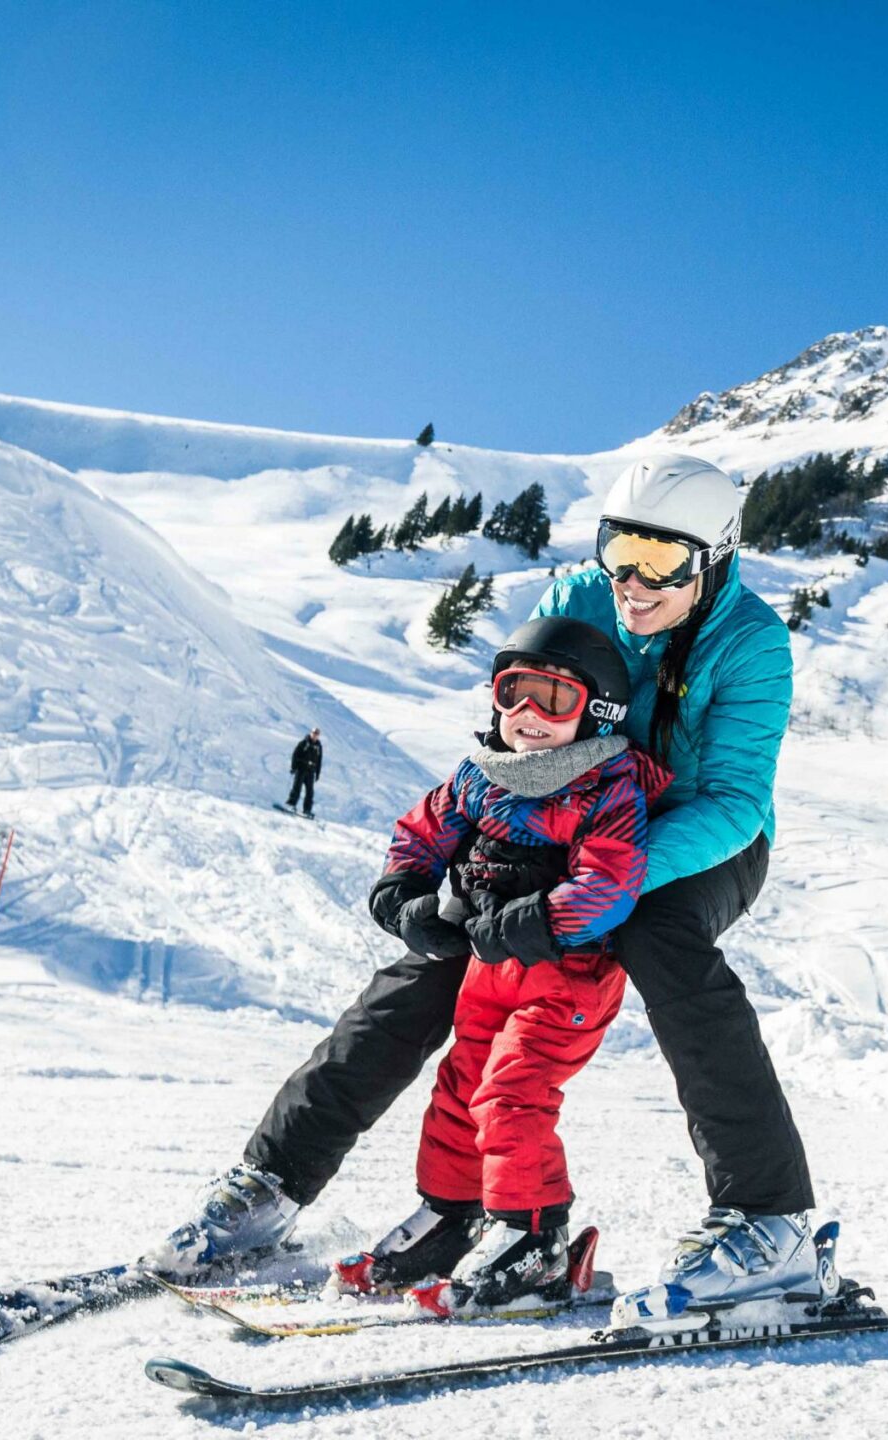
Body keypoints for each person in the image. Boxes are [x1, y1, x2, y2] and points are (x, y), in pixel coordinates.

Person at [152, 456, 817, 1332]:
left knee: (660, 939)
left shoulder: (750, 642)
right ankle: (276, 1181)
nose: (635, 583)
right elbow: (513, 741)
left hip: (692, 839)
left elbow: (734, 801)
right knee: (443, 950)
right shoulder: (579, 597)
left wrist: (597, 887)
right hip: (556, 827)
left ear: (716, 557)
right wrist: (444, 874)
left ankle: (770, 1221)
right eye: (623, 551)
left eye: (665, 562)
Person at [328, 616, 668, 1311]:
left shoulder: (606, 786)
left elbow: (610, 883)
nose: (527, 716)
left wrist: (530, 921)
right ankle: (454, 1217)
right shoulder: (482, 776)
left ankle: (534, 1239)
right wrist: (402, 896)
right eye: (513, 693)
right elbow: (421, 834)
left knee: (512, 1093)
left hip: (567, 976)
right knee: (459, 1091)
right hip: (490, 975)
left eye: (552, 698)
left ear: (597, 709)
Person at [286, 728, 323, 816]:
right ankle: (291, 804)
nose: (315, 735)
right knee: (297, 788)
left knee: (310, 792)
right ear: (311, 733)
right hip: (301, 769)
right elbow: (295, 754)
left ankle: (307, 810)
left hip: (311, 772)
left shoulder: (318, 747)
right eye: (314, 733)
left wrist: (317, 773)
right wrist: (294, 767)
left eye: (317, 734)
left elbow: (319, 761)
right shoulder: (303, 743)